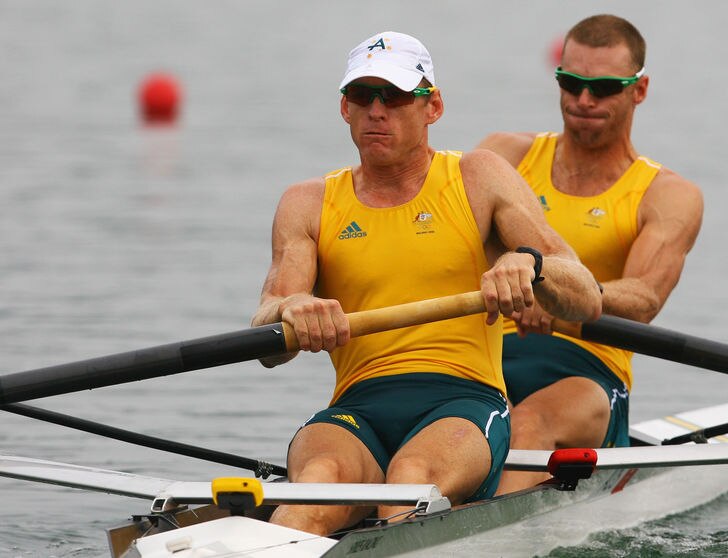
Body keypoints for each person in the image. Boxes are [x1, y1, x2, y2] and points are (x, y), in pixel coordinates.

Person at [251, 31, 602, 536]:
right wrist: (293, 308)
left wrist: (529, 264)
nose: (377, 110)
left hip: (464, 403)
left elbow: (584, 293)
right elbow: (267, 333)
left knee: (411, 481)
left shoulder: (477, 178)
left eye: (393, 96)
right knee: (316, 486)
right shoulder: (306, 203)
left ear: (432, 105)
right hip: (356, 407)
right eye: (362, 96)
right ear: (344, 109)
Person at [477, 14, 704, 494]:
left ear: (638, 90)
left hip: (587, 372)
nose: (583, 100)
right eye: (571, 83)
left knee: (526, 427)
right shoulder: (505, 157)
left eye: (603, 88)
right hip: (483, 358)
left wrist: (558, 297)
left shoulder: (666, 195)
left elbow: (644, 298)